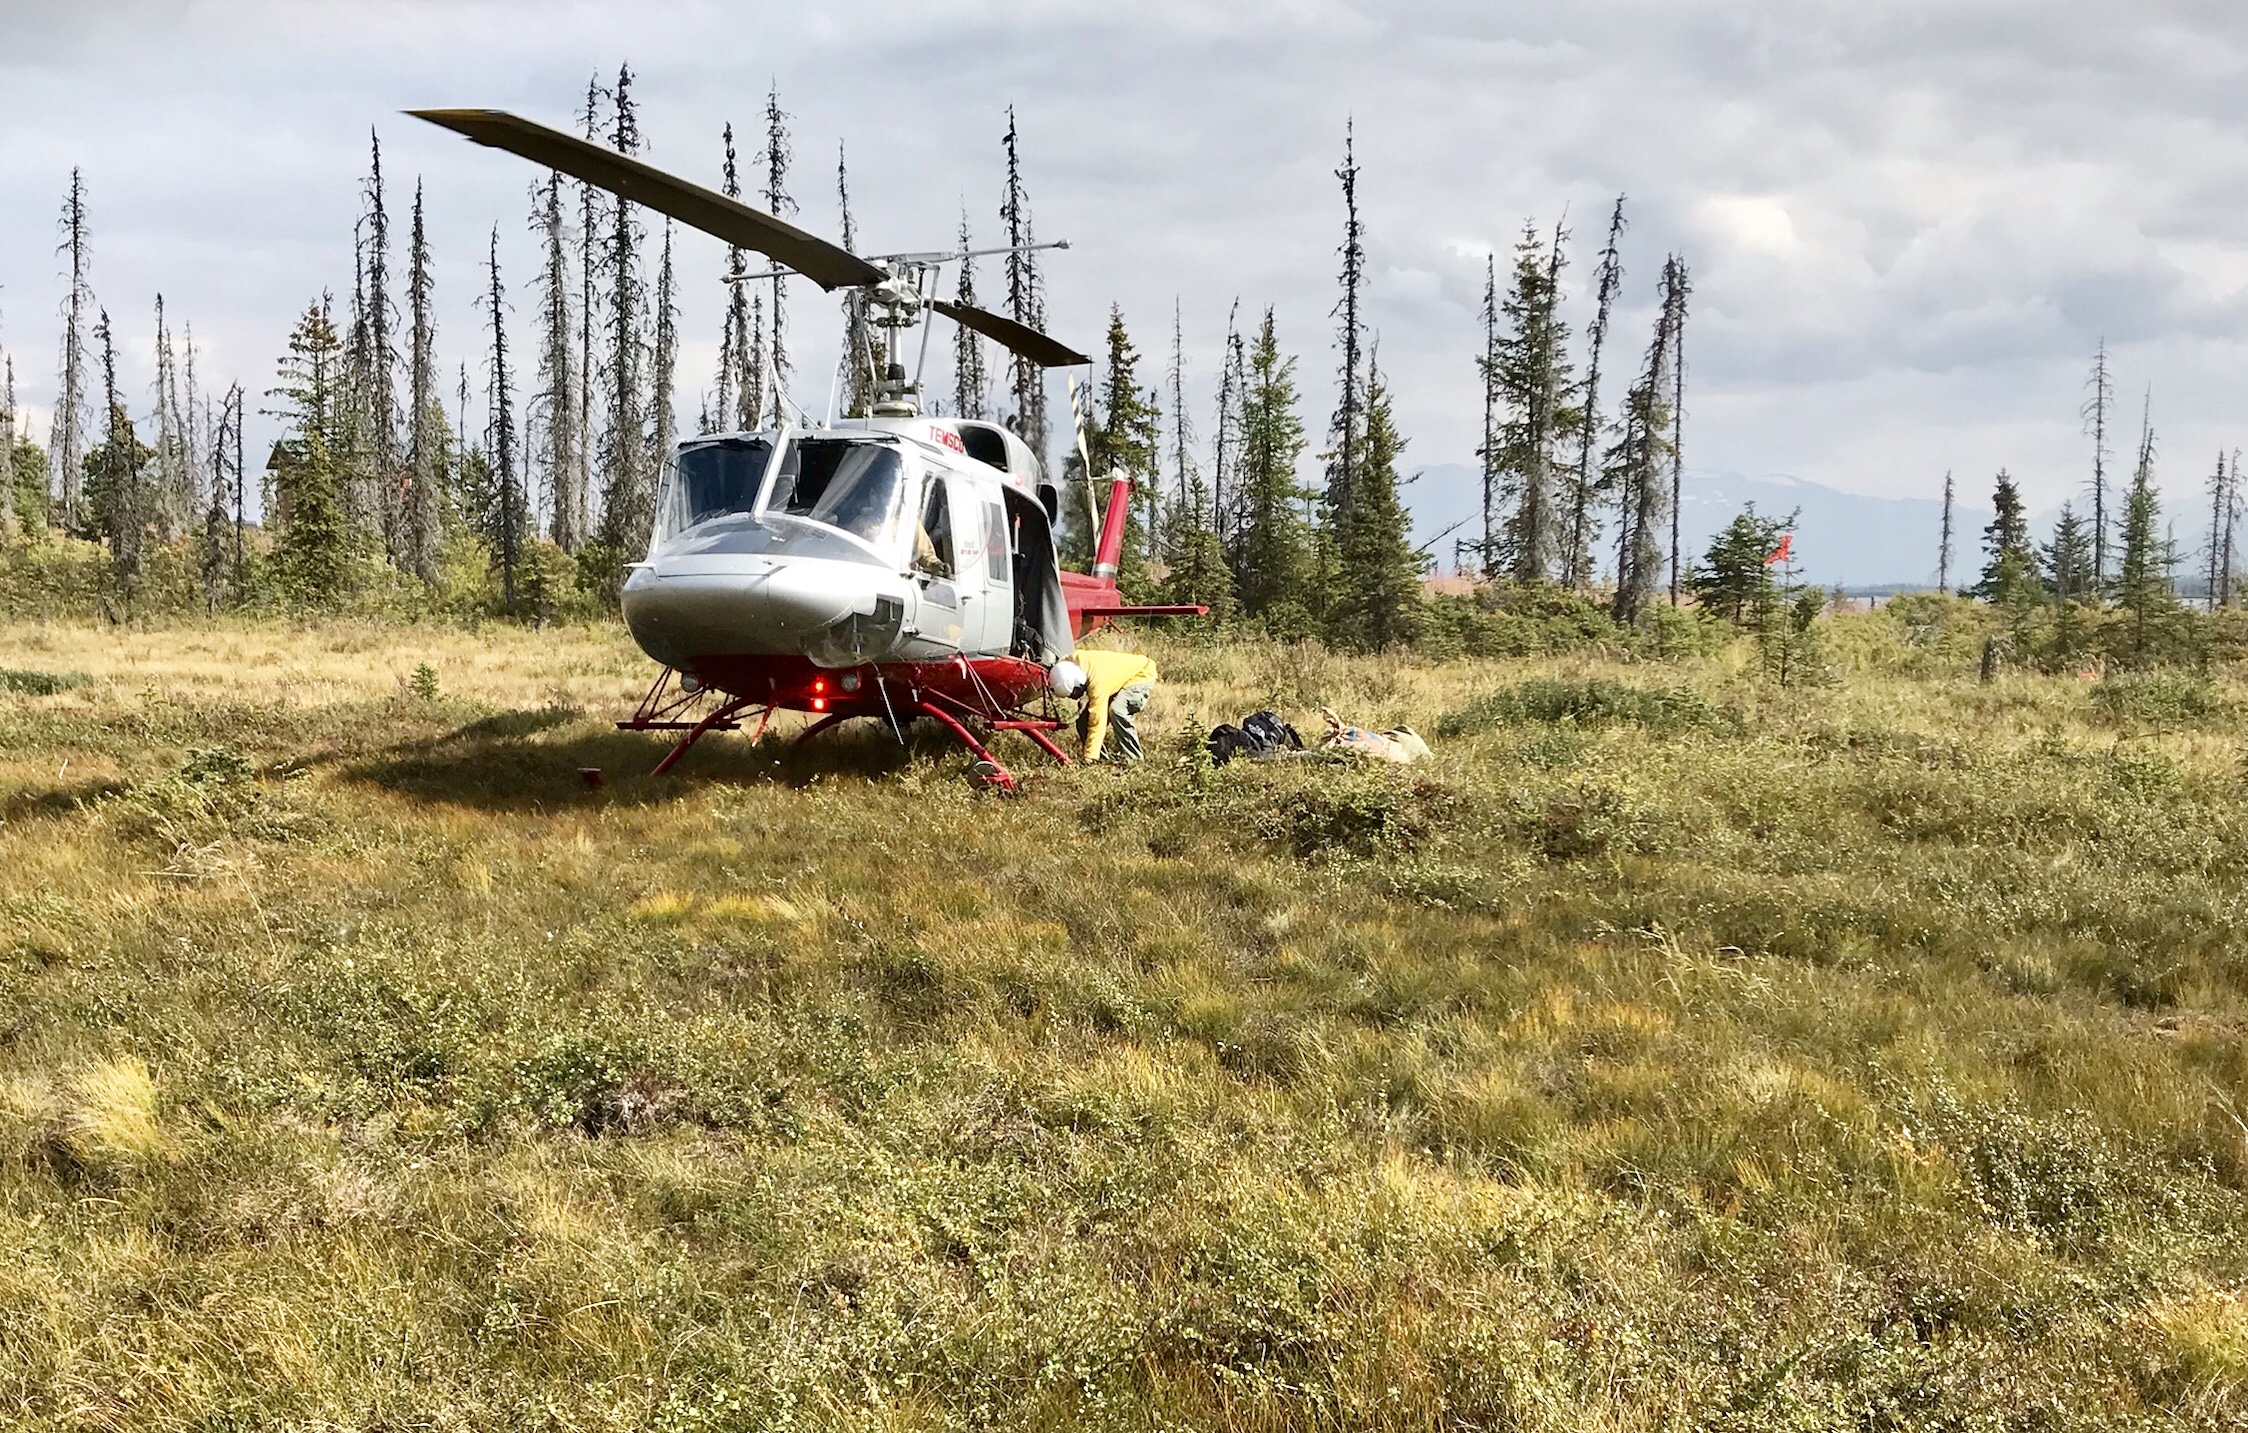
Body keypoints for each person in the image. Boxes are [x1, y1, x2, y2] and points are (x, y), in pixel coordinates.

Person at [1049, 648, 1159, 763]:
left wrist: (1089, 755)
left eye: (1073, 693)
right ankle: (1101, 762)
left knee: (1117, 710)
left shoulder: (1097, 682)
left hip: (1142, 673)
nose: (1073, 697)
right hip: (1114, 680)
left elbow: (1098, 720)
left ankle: (1135, 760)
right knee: (1083, 722)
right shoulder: (1070, 663)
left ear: (1079, 683)